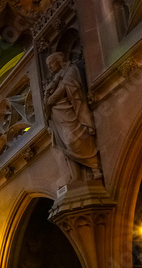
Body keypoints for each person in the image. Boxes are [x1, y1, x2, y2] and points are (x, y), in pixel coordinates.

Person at [43, 52, 102, 181]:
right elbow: (47, 99)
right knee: (65, 147)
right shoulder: (55, 79)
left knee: (74, 141)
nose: (50, 67)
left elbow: (66, 88)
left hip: (71, 115)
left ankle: (95, 166)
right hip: (58, 120)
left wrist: (51, 97)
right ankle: (77, 175)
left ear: (59, 60)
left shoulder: (70, 71)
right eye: (47, 65)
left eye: (51, 63)